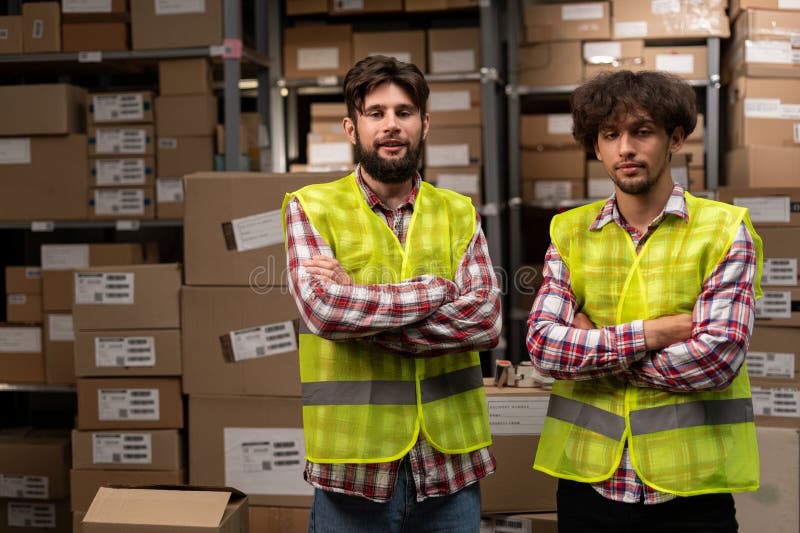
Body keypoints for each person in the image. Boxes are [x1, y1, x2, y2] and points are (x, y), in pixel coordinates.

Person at [526, 70, 763, 532]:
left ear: (674, 137)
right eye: (610, 135)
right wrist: (657, 333)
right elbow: (543, 348)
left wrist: (593, 346)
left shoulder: (722, 230)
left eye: (642, 131)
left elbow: (714, 360)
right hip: (589, 485)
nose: (625, 148)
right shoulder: (570, 232)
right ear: (596, 146)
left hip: (691, 489)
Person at [282, 55, 502, 533]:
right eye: (375, 113)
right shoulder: (312, 207)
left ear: (424, 125)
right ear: (350, 127)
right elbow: (327, 312)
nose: (391, 125)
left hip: (450, 470)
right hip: (352, 473)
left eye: (403, 113)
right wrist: (440, 290)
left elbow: (485, 320)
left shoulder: (459, 211)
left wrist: (363, 306)